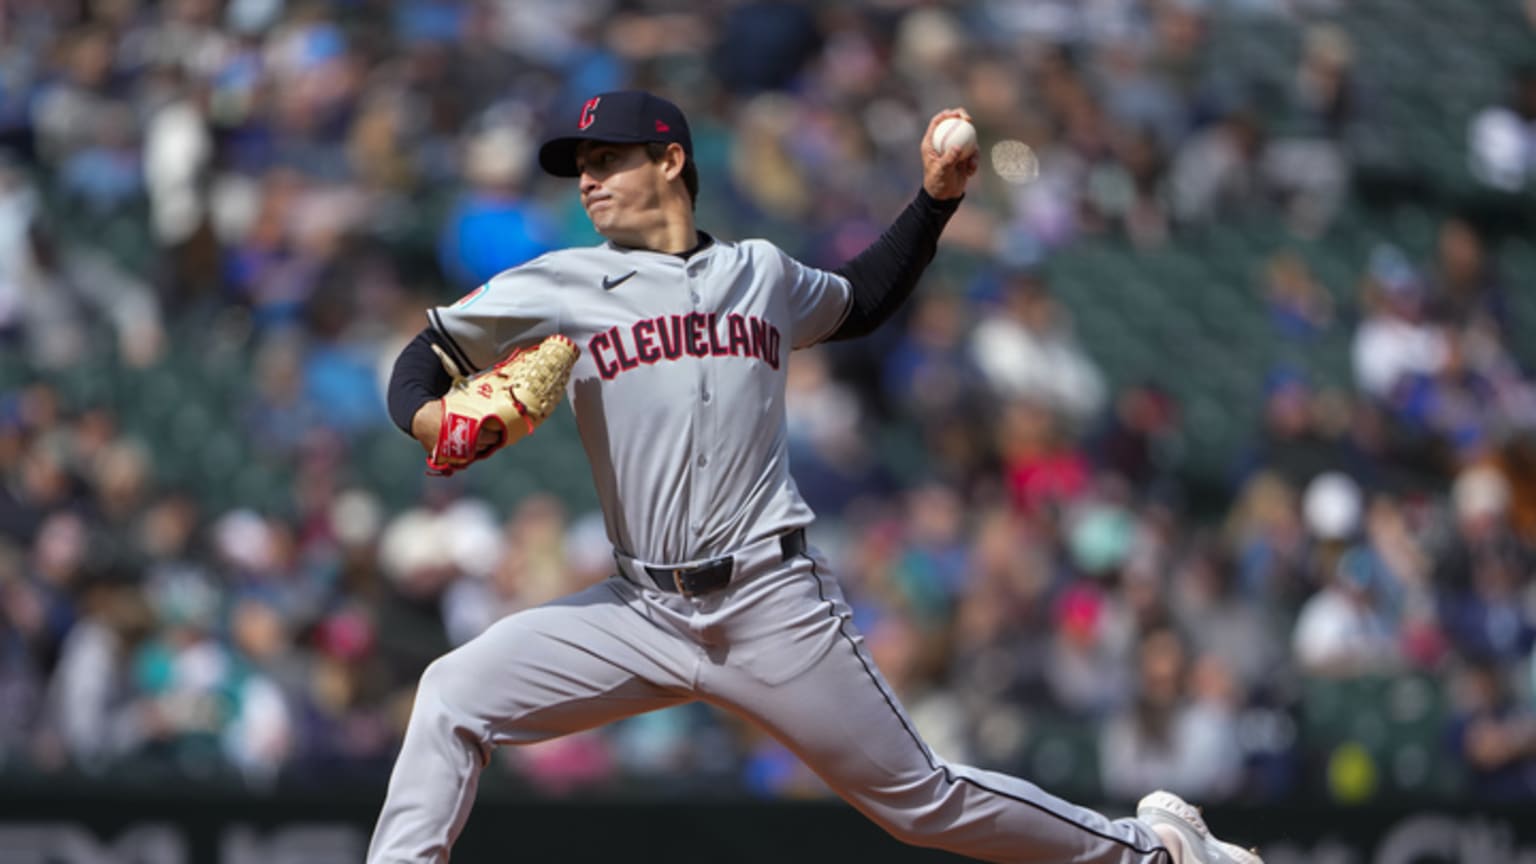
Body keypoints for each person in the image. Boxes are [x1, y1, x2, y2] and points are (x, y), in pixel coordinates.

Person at [371, 89, 1260, 864]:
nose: (588, 179)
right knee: (453, 692)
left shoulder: (759, 273)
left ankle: (1157, 853)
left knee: (922, 801)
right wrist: (429, 418)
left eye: (608, 159)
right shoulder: (561, 281)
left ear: (672, 160)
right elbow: (427, 354)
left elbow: (862, 297)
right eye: (580, 166)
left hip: (769, 600)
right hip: (639, 609)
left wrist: (936, 203)